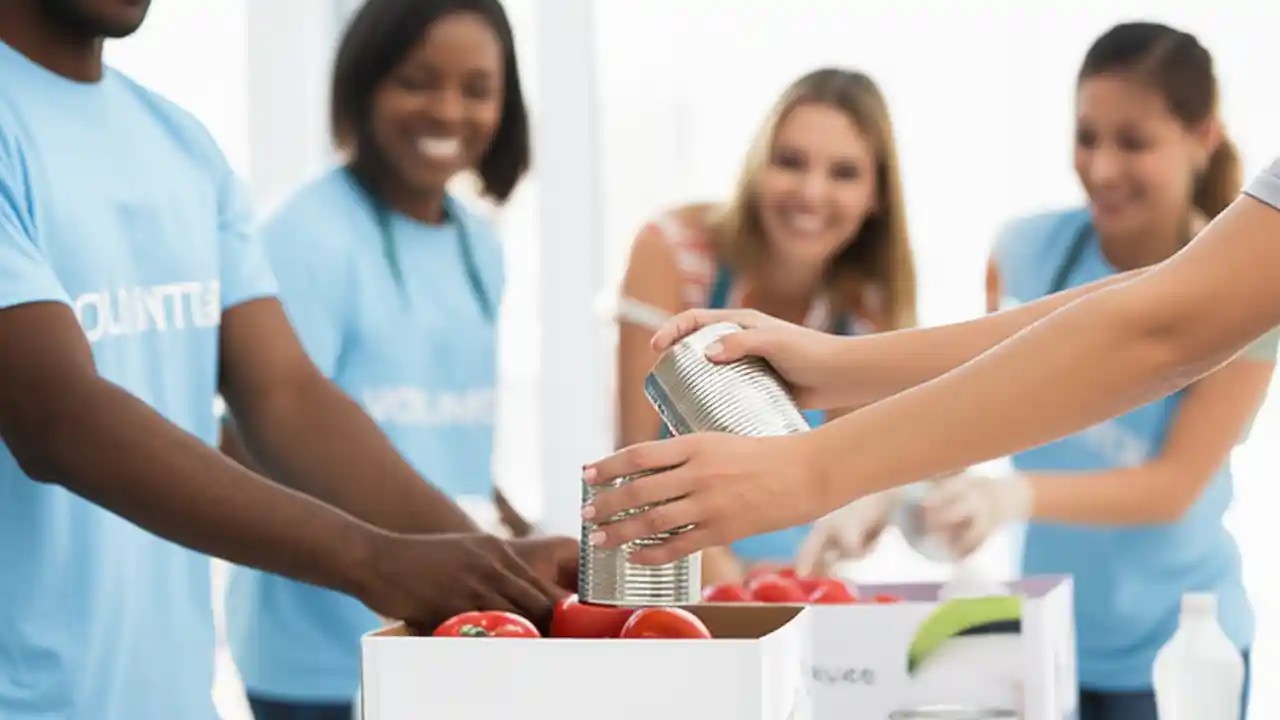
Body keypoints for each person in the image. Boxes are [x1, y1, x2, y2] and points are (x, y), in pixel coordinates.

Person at [0, 2, 572, 718]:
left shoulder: (181, 143)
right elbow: (54, 416)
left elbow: (286, 397)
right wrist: (372, 560)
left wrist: (493, 565)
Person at [578, 77, 1280, 614]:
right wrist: (837, 368)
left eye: (845, 171)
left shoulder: (870, 297)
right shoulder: (1034, 246)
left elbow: (1156, 328)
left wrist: (820, 472)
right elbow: (1138, 305)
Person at [914, 23, 1273, 718]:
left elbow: (1171, 487)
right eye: (1087, 137)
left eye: (1133, 142)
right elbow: (971, 403)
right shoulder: (1025, 252)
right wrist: (901, 490)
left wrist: (1011, 499)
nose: (1102, 168)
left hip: (1178, 649)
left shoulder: (1246, 294)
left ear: (1202, 138)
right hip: (1047, 634)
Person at [221, 1, 541, 717]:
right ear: (362, 83)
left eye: (476, 89)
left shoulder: (477, 244)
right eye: (417, 81)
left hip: (442, 633)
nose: (447, 110)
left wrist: (512, 534)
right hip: (316, 657)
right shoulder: (302, 234)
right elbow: (252, 436)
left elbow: (437, 423)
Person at [615, 68, 916, 582]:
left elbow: (855, 466)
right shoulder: (672, 251)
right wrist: (734, 595)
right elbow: (636, 465)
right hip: (679, 585)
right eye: (790, 162)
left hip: (798, 584)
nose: (811, 193)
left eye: (843, 173)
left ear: (877, 196)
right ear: (757, 166)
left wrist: (869, 506)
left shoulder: (867, 303)